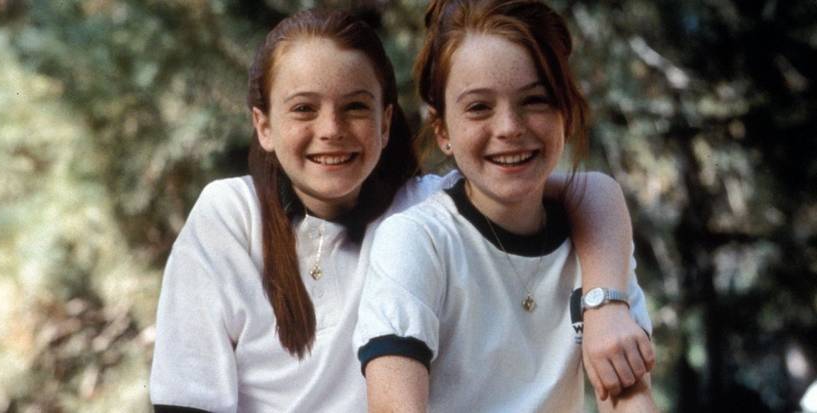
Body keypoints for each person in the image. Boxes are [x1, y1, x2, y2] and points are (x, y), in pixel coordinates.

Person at [149, 7, 652, 413]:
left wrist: (605, 305)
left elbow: (589, 192)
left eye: (355, 107)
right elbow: (188, 398)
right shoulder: (231, 214)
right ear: (263, 126)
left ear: (386, 122)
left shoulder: (421, 207)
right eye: (304, 108)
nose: (331, 130)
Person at [356, 0, 658, 412]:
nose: (510, 128)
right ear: (442, 130)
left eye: (535, 100)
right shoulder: (418, 240)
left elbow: (630, 400)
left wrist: (606, 309)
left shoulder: (598, 242)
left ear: (566, 112)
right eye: (479, 107)